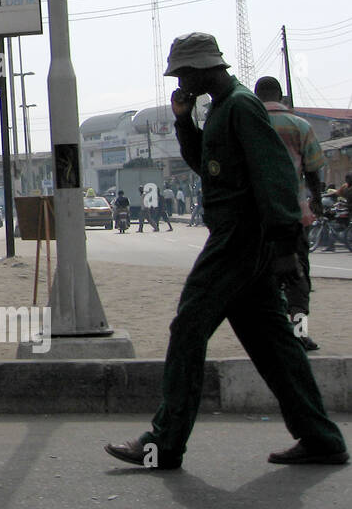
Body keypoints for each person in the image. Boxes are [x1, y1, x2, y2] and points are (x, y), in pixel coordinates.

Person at [105, 34, 347, 469]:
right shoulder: (220, 109)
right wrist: (183, 122)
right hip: (241, 239)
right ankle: (320, 436)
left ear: (202, 68)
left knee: (188, 328)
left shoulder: (240, 106)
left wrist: (283, 242)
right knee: (274, 344)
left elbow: (271, 172)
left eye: (183, 73)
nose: (181, 80)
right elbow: (207, 166)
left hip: (239, 239)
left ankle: (164, 444)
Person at [254, 76, 324, 351]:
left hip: (257, 216)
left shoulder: (250, 124)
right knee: (298, 275)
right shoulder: (300, 125)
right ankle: (300, 332)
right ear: (281, 96)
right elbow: (313, 170)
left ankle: (269, 336)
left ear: (257, 97)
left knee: (261, 276)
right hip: (295, 215)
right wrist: (316, 199)